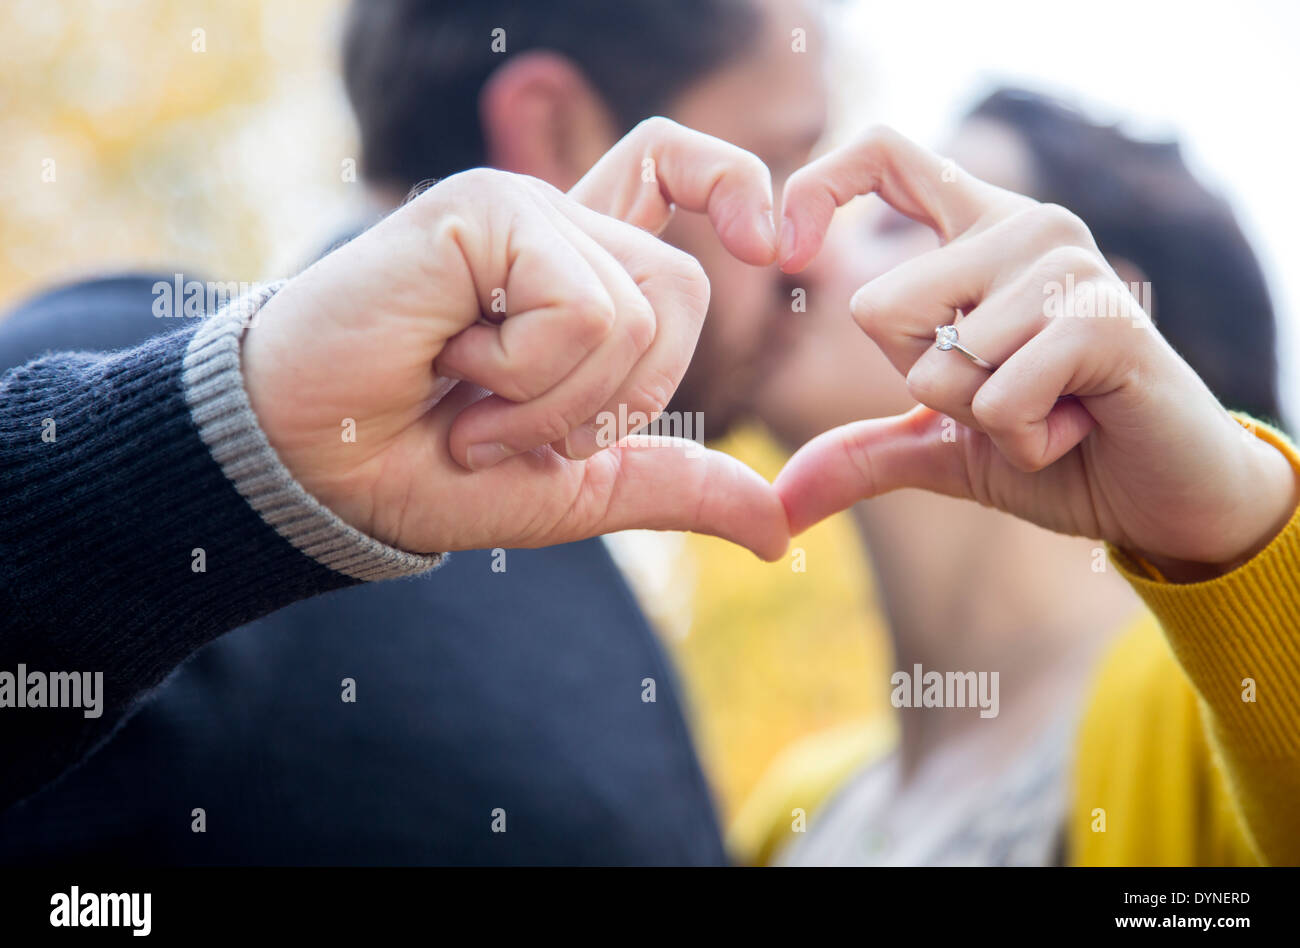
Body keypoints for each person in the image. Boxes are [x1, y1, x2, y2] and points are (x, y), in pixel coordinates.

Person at [0, 0, 832, 865]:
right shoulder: (120, 354)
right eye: (770, 165)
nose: (810, 260)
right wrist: (220, 441)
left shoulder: (570, 543)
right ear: (554, 130)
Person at [733, 93, 1300, 866]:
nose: (804, 256)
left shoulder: (1210, 721)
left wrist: (1236, 532)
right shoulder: (796, 810)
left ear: (1081, 319)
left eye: (896, 226)